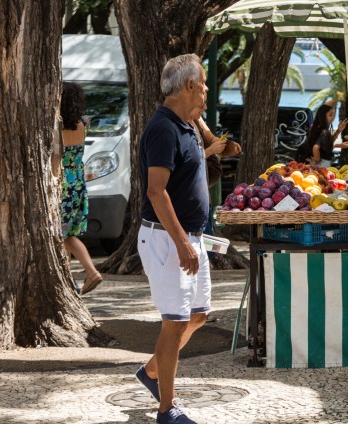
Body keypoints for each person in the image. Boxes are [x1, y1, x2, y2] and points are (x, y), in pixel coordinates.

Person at [135, 54, 211, 424]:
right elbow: (156, 191)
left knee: (198, 315)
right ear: (190, 85)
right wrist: (181, 243)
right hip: (167, 240)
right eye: (205, 83)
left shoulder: (185, 124)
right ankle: (167, 410)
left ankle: (151, 370)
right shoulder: (163, 128)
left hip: (190, 237)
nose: (208, 90)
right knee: (175, 322)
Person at [60, 82, 103, 295]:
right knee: (65, 234)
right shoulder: (85, 123)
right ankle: (67, 281)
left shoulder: (56, 127)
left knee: (64, 235)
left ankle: (91, 271)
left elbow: (55, 160)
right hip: (79, 184)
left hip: (63, 185)